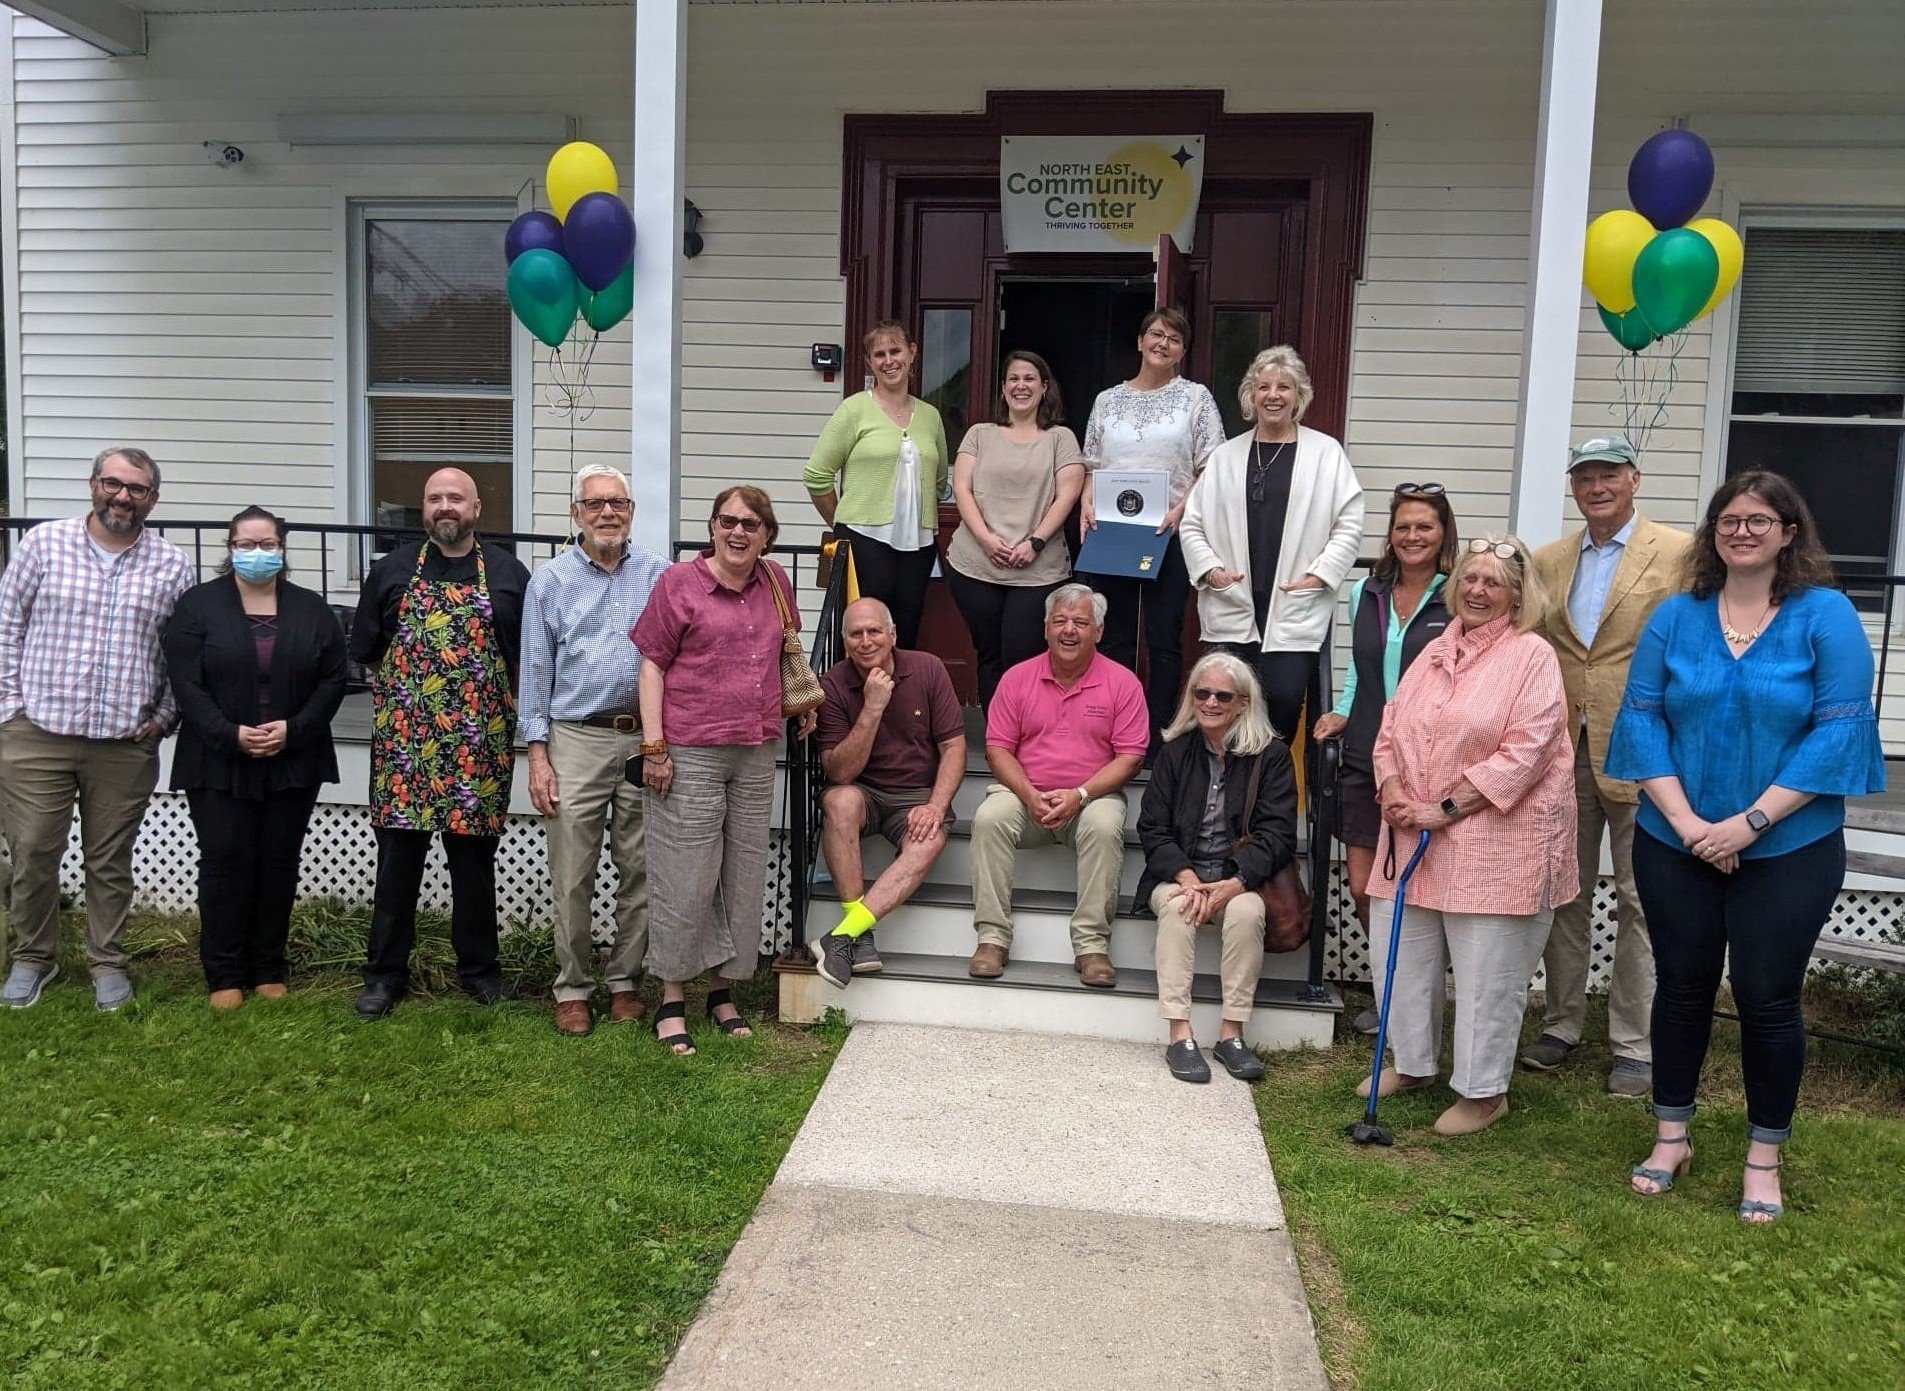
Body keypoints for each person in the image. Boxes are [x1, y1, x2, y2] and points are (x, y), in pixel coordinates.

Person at [1608, 471, 1882, 1224]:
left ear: (1788, 533)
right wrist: (1692, 825)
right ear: (1712, 533)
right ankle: (1671, 1137)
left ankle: (1763, 1155)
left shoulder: (1824, 615)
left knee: (1766, 998)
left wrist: (1748, 824)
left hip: (1789, 844)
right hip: (1675, 837)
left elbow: (1839, 730)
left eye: (1759, 520)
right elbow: (1641, 719)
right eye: (1729, 520)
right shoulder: (1676, 616)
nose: (1742, 531)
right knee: (1681, 987)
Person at [1363, 536, 1577, 1137]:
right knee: (1402, 953)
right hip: (1412, 834)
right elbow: (1390, 726)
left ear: (1518, 596)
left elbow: (1528, 750)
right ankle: (1411, 1063)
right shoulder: (1434, 649)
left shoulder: (1532, 656)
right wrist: (1391, 786)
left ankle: (1484, 1093)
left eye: (1493, 582)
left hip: (1494, 844)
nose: (1478, 591)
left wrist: (1447, 807)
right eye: (1470, 579)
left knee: (1487, 975)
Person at [1523, 436, 1693, 1095]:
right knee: (1564, 890)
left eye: (1609, 475)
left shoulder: (1677, 553)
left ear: (1634, 479)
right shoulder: (1548, 560)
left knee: (1639, 896)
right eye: (1585, 477)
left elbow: (1693, 644)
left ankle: (1634, 1044)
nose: (1597, 487)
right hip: (1562, 748)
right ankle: (1561, 1024)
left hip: (1644, 748)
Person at [0, 447, 193, 1012]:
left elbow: (181, 652)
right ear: (93, 484)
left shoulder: (172, 565)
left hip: (124, 744)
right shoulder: (43, 544)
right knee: (34, 851)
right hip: (37, 733)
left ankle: (108, 963)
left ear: (153, 498)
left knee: (109, 861)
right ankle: (33, 958)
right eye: (113, 483)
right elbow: (6, 628)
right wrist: (9, 709)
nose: (122, 497)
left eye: (137, 489)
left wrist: (163, 718)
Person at [633, 486, 816, 1054]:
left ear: (767, 535)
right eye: (728, 521)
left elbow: (785, 650)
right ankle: (671, 996)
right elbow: (652, 665)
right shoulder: (679, 584)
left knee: (742, 874)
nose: (738, 532)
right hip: (691, 748)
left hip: (757, 747)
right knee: (685, 875)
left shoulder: (776, 582)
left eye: (751, 524)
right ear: (712, 527)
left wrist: (800, 702)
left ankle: (722, 992)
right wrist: (654, 747)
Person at [350, 467, 529, 1020]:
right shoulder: (391, 571)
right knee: (397, 868)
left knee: (473, 869)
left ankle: (480, 971)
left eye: (456, 498)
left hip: (479, 746)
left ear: (477, 509)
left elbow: (523, 657)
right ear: (424, 509)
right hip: (405, 747)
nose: (445, 506)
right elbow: (369, 652)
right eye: (434, 498)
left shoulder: (508, 573)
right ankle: (384, 975)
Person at [163, 507, 347, 1009]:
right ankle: (223, 973)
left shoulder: (311, 608)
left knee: (278, 861)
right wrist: (229, 734)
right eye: (246, 544)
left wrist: (294, 729)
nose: (257, 553)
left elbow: (333, 678)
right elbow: (186, 682)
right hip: (218, 759)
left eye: (267, 544)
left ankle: (268, 966)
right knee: (225, 861)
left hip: (293, 758)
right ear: (230, 548)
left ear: (283, 548)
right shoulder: (198, 606)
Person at [520, 464, 669, 1037]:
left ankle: (626, 982)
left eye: (618, 503)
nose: (607, 512)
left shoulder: (660, 574)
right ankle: (573, 988)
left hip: (643, 738)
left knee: (641, 868)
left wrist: (663, 739)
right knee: (572, 872)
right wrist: (537, 755)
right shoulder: (550, 581)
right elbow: (535, 671)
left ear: (632, 512)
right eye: (595, 503)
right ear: (576, 513)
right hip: (575, 738)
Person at [1310, 483, 1457, 1034]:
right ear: (1390, 535)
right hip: (1365, 752)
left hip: (1429, 760)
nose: (1413, 536)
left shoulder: (1458, 595)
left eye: (1425, 527)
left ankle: (1418, 997)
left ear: (1443, 533)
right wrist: (1343, 711)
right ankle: (1388, 991)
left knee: (1418, 889)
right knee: (1363, 885)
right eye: (1403, 527)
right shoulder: (1365, 592)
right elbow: (1359, 667)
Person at [1180, 345, 1365, 741]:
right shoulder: (1225, 457)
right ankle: (1230, 777)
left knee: (1282, 700)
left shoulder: (1326, 454)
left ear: (1299, 396)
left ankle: (1271, 777)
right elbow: (1192, 524)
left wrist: (1320, 575)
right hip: (1233, 601)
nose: (1273, 395)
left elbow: (1349, 523)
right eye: (1264, 387)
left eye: (1284, 387)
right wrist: (1211, 571)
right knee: (1225, 702)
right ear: (1252, 395)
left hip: (1294, 601)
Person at [969, 584, 1148, 987]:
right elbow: (998, 749)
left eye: (1081, 622)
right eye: (1060, 621)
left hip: (1091, 798)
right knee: (990, 817)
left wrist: (1080, 795)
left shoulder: (1123, 683)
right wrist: (1029, 795)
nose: (1069, 630)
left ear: (1098, 631)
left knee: (1105, 826)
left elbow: (1131, 757)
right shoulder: (1017, 678)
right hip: (1026, 797)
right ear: (1045, 628)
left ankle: (1091, 946)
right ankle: (992, 939)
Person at [1137, 653, 1297, 1084]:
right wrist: (1186, 876)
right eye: (1201, 693)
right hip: (1179, 876)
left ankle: (1232, 1034)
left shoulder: (1271, 756)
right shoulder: (1175, 752)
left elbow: (1278, 834)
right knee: (1178, 907)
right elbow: (1152, 828)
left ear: (1243, 702)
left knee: (1247, 911)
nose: (1210, 702)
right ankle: (1179, 1033)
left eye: (1222, 696)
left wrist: (1236, 881)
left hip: (1238, 879)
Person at [1081, 309, 1226, 743]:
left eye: (1174, 339)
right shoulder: (1107, 400)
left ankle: (1161, 735)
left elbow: (1212, 465)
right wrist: (1086, 502)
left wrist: (1182, 509)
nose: (1163, 343)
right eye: (1156, 334)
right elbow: (1092, 464)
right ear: (1141, 341)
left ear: (1183, 351)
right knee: (1113, 636)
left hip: (1169, 531)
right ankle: (1115, 732)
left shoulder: (1196, 398)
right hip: (1114, 532)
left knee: (1164, 638)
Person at [809, 597, 966, 988]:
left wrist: (936, 805)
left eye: (874, 631)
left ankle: (846, 934)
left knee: (930, 838)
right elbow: (840, 772)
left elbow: (953, 747)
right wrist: (872, 707)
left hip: (916, 795)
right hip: (863, 792)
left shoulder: (927, 668)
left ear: (893, 635)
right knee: (839, 800)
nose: (866, 641)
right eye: (856, 634)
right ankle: (857, 935)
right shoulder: (832, 684)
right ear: (845, 642)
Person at [945, 351, 1087, 707]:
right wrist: (985, 540)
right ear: (1003, 388)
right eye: (1013, 379)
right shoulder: (980, 434)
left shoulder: (1060, 438)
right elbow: (961, 487)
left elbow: (1068, 495)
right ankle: (997, 735)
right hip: (976, 565)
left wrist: (1035, 542)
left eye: (1029, 379)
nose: (1021, 386)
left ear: (1044, 387)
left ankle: (1025, 732)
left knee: (1023, 656)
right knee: (990, 654)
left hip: (1037, 569)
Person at [804, 320, 949, 649]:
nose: (889, 360)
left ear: (912, 353)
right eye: (879, 354)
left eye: (896, 351)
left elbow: (939, 481)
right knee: (863, 632)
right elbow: (816, 475)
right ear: (869, 362)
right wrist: (842, 522)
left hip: (919, 543)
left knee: (906, 631)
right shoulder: (854, 409)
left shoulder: (931, 416)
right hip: (864, 540)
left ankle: (899, 685)